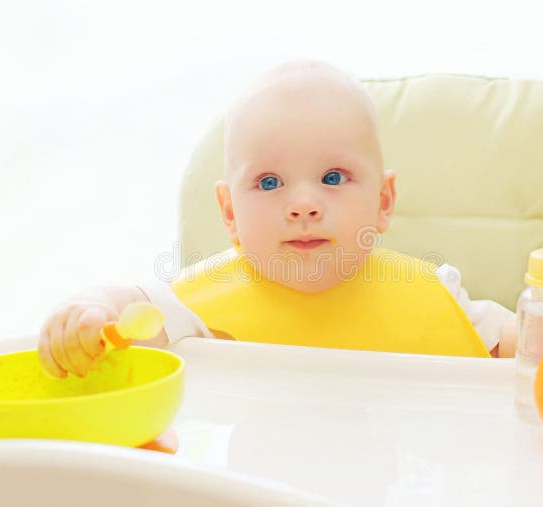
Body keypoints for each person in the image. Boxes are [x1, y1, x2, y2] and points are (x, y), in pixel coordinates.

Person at [39, 59, 517, 380]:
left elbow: (530, 351)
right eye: (269, 183)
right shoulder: (199, 309)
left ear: (383, 201)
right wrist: (88, 307)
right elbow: (130, 310)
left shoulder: (435, 295)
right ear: (229, 213)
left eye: (334, 176)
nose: (303, 205)